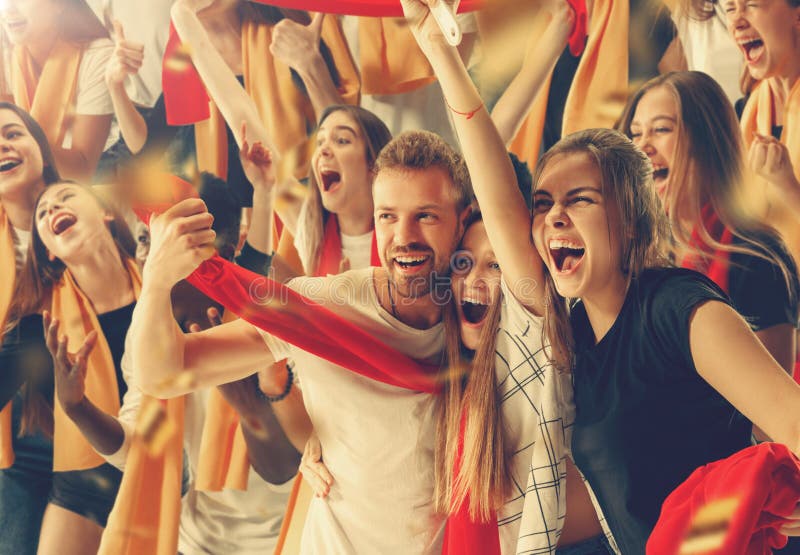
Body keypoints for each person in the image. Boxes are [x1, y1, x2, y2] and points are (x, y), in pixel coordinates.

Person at [401, 1, 800, 552]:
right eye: (544, 204)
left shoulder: (680, 311)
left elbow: (792, 422)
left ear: (630, 218)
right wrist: (440, 55)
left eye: (579, 199)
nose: (554, 217)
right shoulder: (568, 330)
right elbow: (496, 197)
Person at [128, 129, 473, 553]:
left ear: (463, 221)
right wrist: (157, 282)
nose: (404, 236)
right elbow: (164, 374)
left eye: (426, 215)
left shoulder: (483, 321)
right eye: (387, 215)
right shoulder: (326, 305)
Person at [618, 71, 798, 402]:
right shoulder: (635, 259)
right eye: (635, 134)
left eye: (661, 129)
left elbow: (775, 418)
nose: (642, 146)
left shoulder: (756, 256)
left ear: (706, 142)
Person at [7, 182, 140, 555]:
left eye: (65, 198)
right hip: (84, 484)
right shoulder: (40, 325)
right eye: (43, 212)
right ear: (48, 252)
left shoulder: (165, 283)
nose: (52, 210)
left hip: (166, 471)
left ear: (106, 214)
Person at [0, 102, 61, 555]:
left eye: (13, 133)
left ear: (41, 146)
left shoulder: (90, 213)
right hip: (15, 438)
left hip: (95, 423)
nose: (2, 145)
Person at [0, 0, 116, 181]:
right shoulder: (10, 52)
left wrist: (22, 139)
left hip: (96, 173)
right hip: (28, 171)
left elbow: (82, 171)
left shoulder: (97, 56)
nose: (9, 8)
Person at [724, 0, 800, 263]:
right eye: (730, 9)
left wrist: (787, 186)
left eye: (752, 5)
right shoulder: (743, 112)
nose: (737, 21)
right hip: (766, 292)